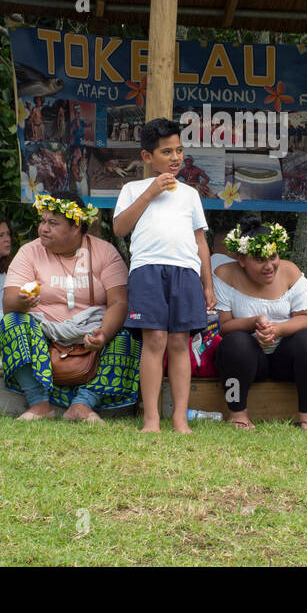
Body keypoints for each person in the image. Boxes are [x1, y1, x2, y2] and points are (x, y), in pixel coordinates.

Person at [112, 118, 215, 433]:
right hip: (147, 270)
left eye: (179, 150)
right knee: (154, 339)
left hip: (185, 271)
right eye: (166, 151)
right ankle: (151, 419)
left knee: (180, 341)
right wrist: (151, 192)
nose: (175, 157)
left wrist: (207, 284)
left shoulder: (189, 195)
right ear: (147, 157)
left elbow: (201, 242)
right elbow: (119, 228)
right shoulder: (133, 188)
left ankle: (180, 418)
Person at [0, 195, 139, 422]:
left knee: (130, 333)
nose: (43, 229)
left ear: (76, 226)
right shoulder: (29, 252)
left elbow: (119, 302)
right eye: (42, 221)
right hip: (43, 332)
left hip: (92, 334)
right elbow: (8, 302)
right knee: (11, 322)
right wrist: (22, 301)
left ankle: (83, 404)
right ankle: (39, 403)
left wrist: (103, 334)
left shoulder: (105, 252)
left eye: (52, 223)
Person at [215, 219, 307, 429]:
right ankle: (237, 412)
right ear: (242, 259)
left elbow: (306, 317)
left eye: (273, 257)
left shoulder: (291, 272)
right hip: (246, 359)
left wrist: (278, 329)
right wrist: (253, 323)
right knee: (233, 344)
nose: (269, 266)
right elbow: (223, 325)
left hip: (285, 359)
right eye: (259, 260)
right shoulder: (224, 275)